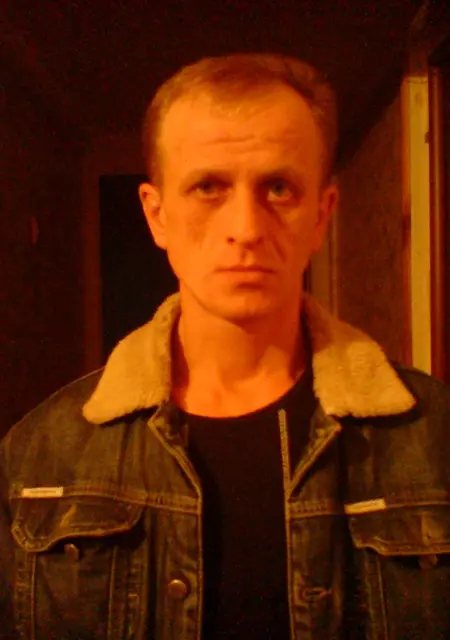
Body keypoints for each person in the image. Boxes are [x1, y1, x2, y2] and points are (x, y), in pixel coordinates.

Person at [1, 52, 450, 640]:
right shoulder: (39, 459)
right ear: (157, 216)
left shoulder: (434, 439)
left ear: (322, 215)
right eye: (208, 187)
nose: (247, 227)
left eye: (279, 188)